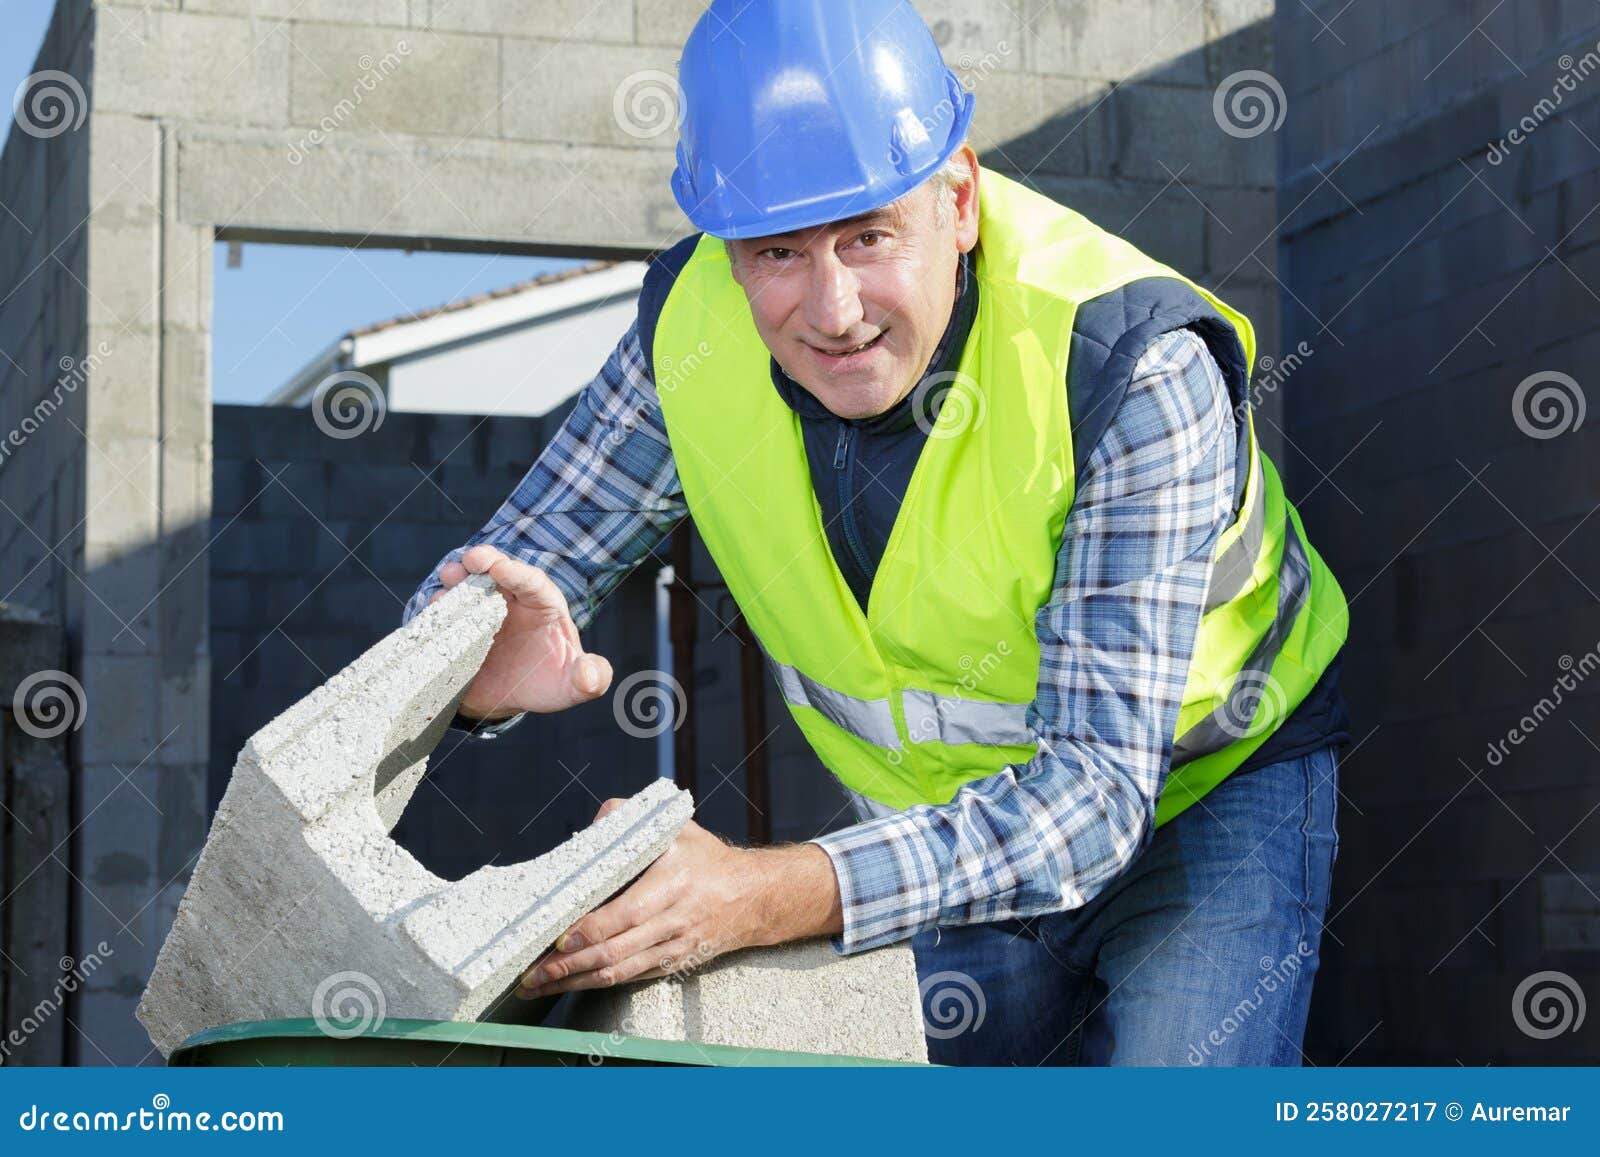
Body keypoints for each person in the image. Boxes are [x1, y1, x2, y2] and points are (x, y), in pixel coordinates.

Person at [405, 0, 1351, 1065]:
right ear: (725, 251)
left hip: (1208, 789)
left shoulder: (1126, 363)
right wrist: (462, 672)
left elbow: (1090, 799)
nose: (835, 306)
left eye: (868, 235)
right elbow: (517, 566)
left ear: (958, 199)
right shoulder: (690, 334)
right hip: (950, 829)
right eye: (776, 253)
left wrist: (760, 894)